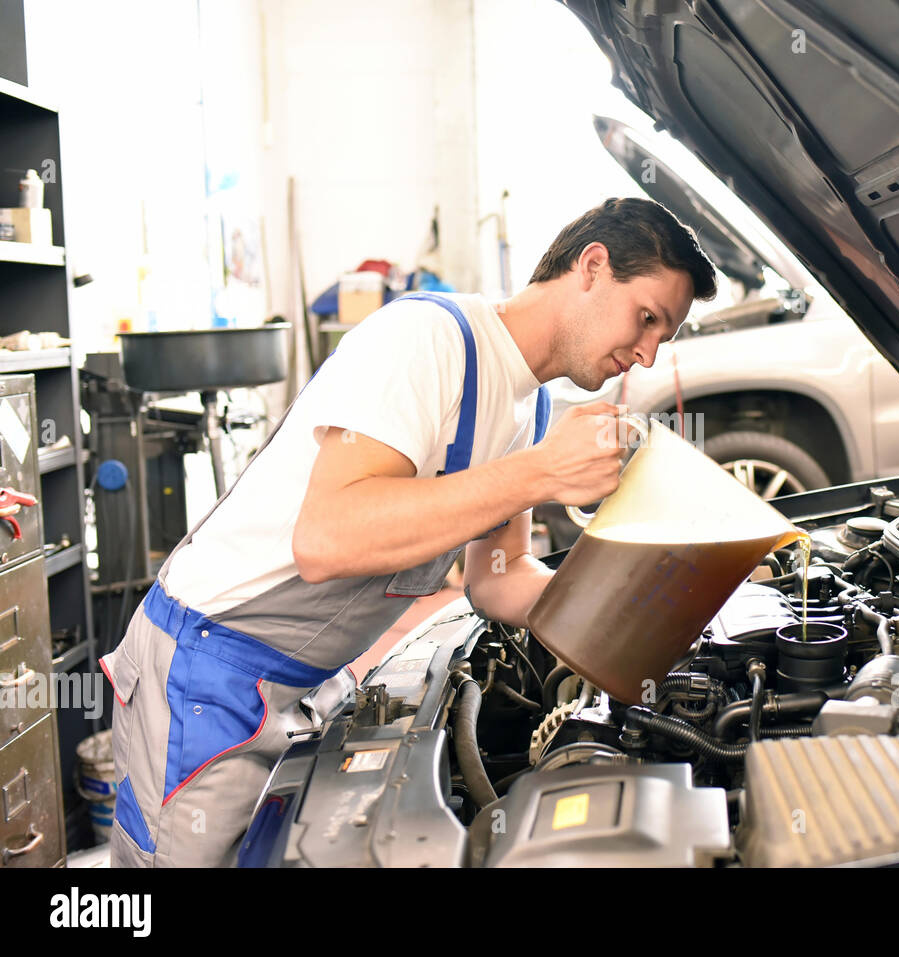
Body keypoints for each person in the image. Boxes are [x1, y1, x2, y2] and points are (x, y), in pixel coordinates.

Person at [99, 197, 718, 866]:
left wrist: (628, 618)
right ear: (592, 266)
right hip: (206, 666)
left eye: (667, 335)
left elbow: (495, 579)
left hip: (303, 679)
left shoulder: (528, 405)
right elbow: (328, 538)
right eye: (648, 318)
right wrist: (540, 472)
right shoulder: (429, 340)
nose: (650, 354)